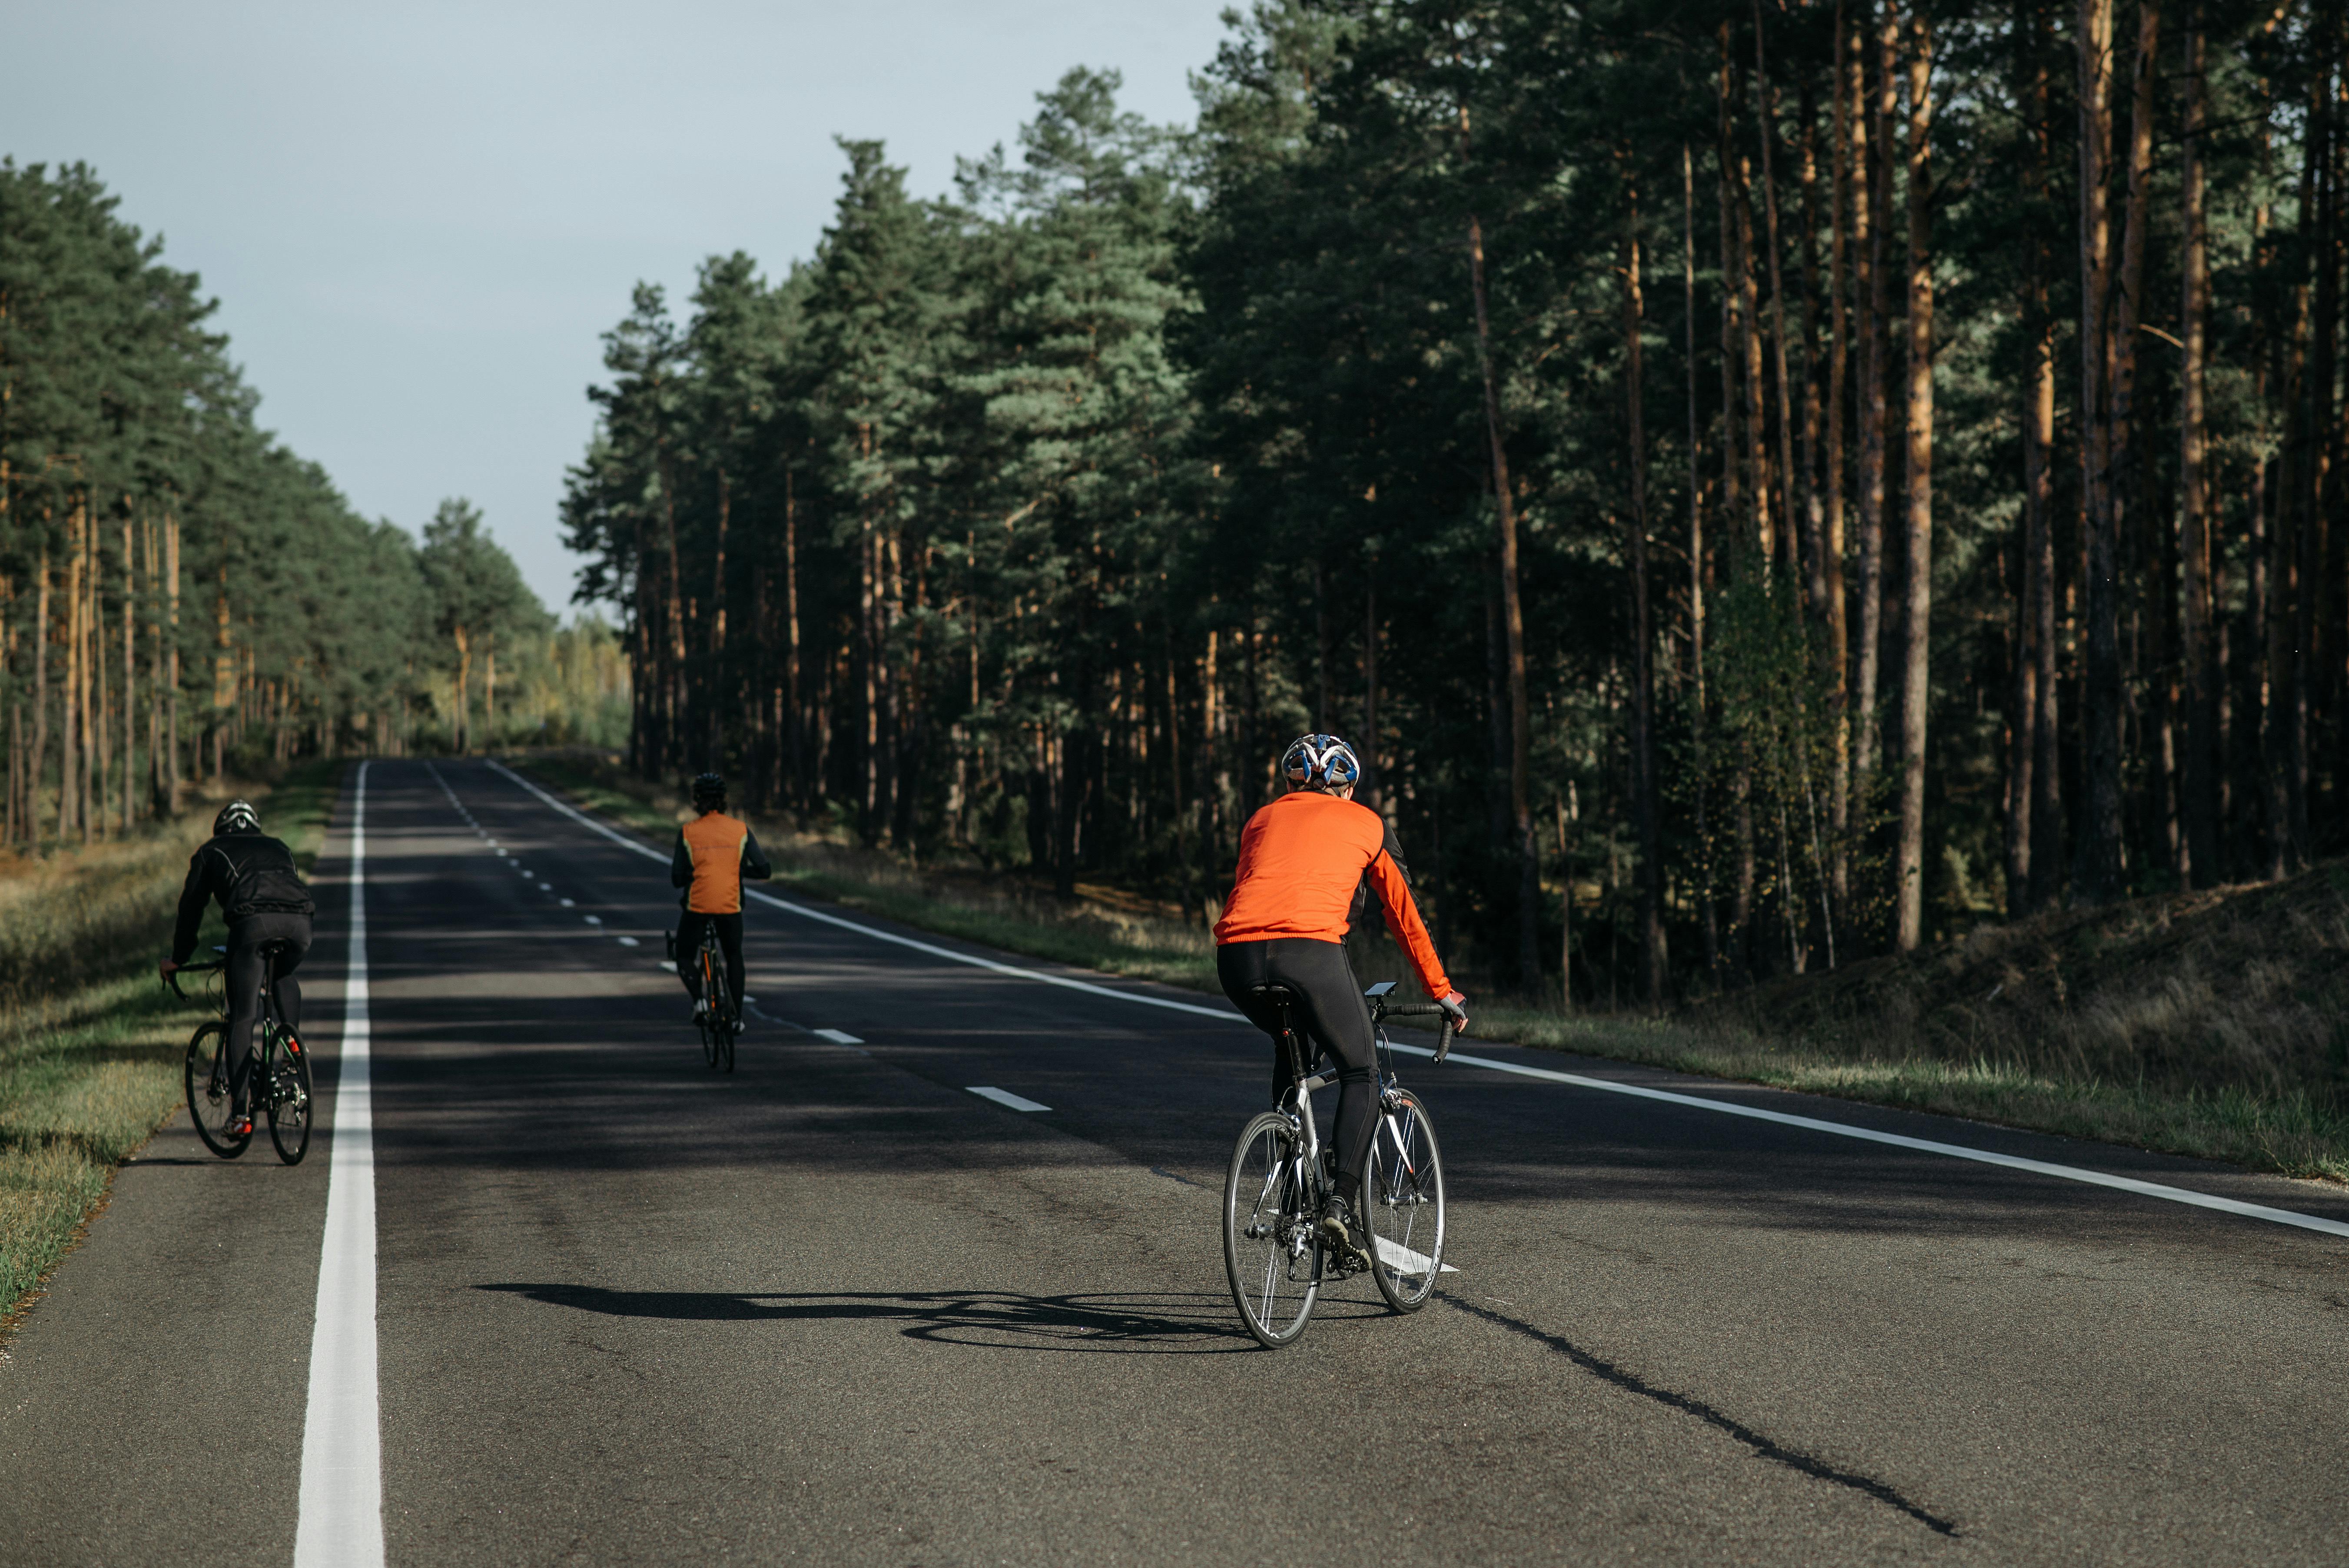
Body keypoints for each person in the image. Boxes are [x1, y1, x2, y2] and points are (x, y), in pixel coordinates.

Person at [1214, 734, 1468, 1267]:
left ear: (1291, 784)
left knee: (1292, 1051)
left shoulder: (1260, 819)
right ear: (1348, 789)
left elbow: (1255, 889)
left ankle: (1292, 1197)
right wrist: (1441, 991)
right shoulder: (1367, 823)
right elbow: (1405, 914)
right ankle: (1338, 1205)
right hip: (1310, 954)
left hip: (1236, 959)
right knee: (1361, 1071)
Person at [160, 799, 315, 1137]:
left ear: (221, 829)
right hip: (301, 924)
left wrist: (179, 957)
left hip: (252, 926)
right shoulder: (279, 846)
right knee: (282, 973)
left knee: (242, 1016)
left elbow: (191, 908)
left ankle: (241, 1114)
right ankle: (292, 1042)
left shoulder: (211, 851)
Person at [670, 772, 773, 1025]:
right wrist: (738, 870)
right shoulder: (740, 830)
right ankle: (736, 1017)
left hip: (697, 907)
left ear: (697, 801)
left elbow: (677, 879)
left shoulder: (688, 832)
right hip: (730, 907)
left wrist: (694, 873)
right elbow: (764, 871)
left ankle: (700, 1001)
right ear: (724, 800)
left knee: (684, 955)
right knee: (734, 955)